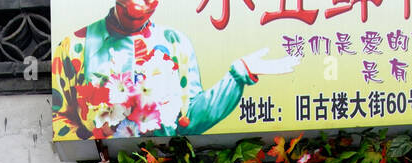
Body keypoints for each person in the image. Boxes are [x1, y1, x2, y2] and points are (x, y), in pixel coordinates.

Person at [52, 0, 299, 140]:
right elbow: (60, 119)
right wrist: (95, 137)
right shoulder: (74, 46)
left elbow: (189, 118)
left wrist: (239, 74)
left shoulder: (174, 43)